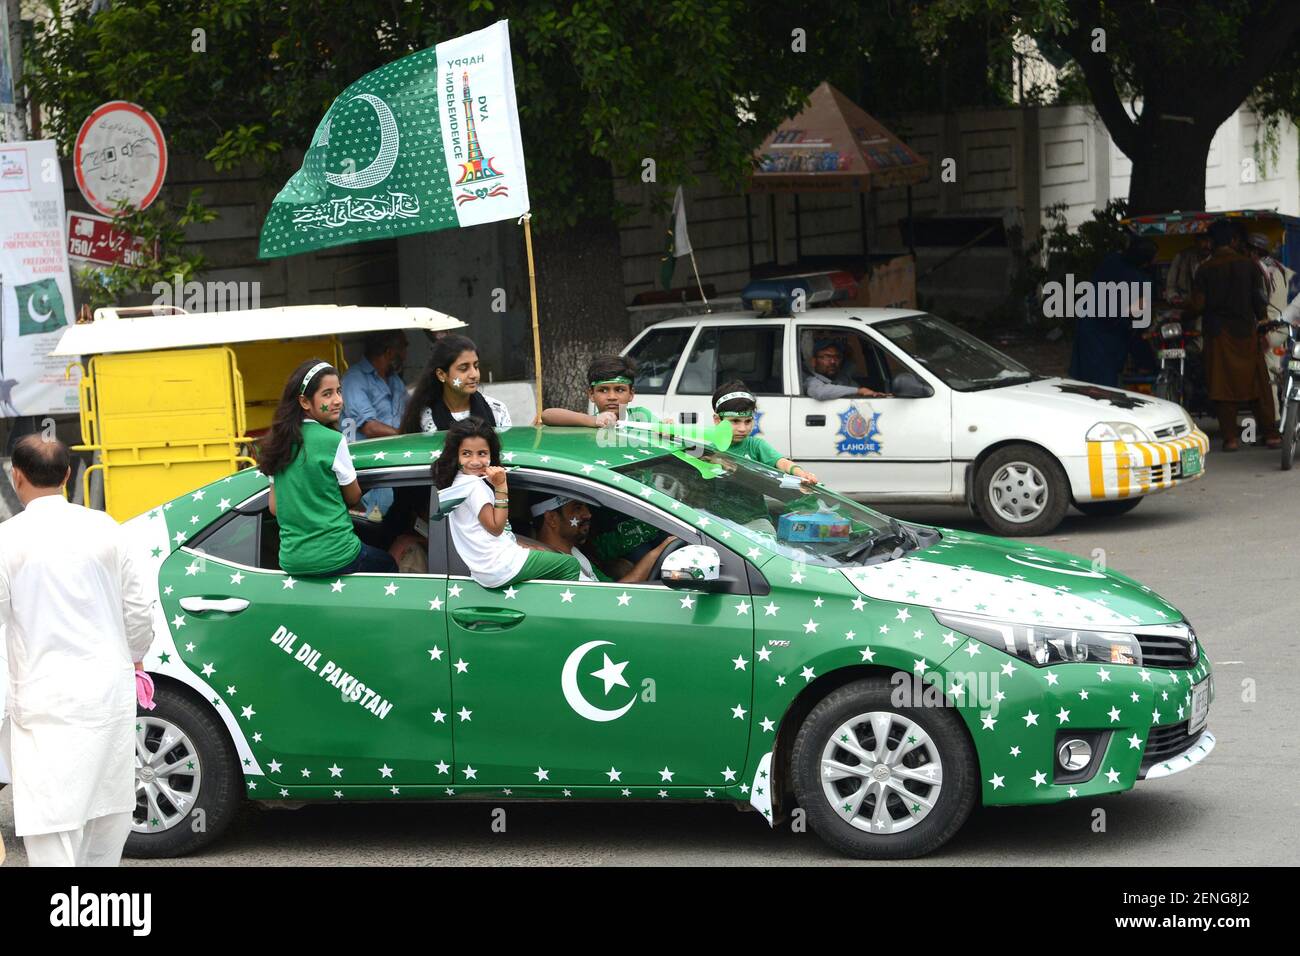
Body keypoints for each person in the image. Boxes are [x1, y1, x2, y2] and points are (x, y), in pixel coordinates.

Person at [0, 436, 152, 866]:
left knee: (51, 822)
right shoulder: (105, 527)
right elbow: (138, 609)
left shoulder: (7, 539)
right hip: (108, 692)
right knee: (107, 815)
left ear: (17, 477)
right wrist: (136, 653)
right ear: (69, 475)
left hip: (44, 700)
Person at [258, 359, 398, 574]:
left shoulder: (277, 443)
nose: (338, 400)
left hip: (292, 561)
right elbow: (353, 497)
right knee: (388, 563)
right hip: (339, 555)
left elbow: (275, 507)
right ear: (305, 402)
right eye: (327, 394)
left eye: (339, 392)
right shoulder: (333, 440)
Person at [434, 418, 582, 587]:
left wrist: (524, 547)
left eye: (482, 453)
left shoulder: (458, 482)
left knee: (543, 552)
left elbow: (490, 534)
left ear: (491, 454)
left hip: (487, 569)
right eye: (466, 453)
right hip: (500, 567)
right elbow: (496, 528)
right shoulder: (475, 487)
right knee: (570, 565)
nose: (475, 461)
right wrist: (501, 486)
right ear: (456, 455)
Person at [1192, 219, 1280, 451]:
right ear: (1234, 241)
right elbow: (1259, 301)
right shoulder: (1249, 266)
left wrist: (1183, 313)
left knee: (1222, 387)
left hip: (1217, 334)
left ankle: (1230, 439)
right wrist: (1263, 322)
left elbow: (1198, 305)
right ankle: (1271, 435)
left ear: (1211, 242)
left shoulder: (1204, 269)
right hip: (1246, 332)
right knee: (1259, 384)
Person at [1068, 236, 1157, 387]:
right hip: (1104, 331)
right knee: (1103, 379)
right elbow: (1137, 310)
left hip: (1090, 322)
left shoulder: (1113, 260)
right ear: (1145, 260)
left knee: (1089, 376)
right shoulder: (1137, 278)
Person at [342, 330, 410, 518]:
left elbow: (410, 413)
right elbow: (370, 427)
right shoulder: (354, 379)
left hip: (399, 467)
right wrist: (406, 437)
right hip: (370, 471)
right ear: (389, 352)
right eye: (404, 347)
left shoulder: (394, 381)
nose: (406, 355)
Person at [530, 495, 676, 583]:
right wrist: (662, 548)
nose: (588, 514)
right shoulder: (552, 565)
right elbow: (616, 596)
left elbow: (610, 586)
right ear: (552, 519)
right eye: (577, 508)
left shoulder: (573, 552)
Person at [401, 334, 511, 434]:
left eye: (476, 366)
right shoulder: (424, 417)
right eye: (463, 368)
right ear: (441, 374)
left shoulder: (497, 410)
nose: (474, 374)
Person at [540, 354, 655, 426]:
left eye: (620, 390)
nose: (612, 397)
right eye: (603, 390)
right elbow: (547, 415)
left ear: (631, 394)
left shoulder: (642, 416)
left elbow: (665, 431)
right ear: (591, 394)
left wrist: (666, 428)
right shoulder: (590, 422)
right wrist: (593, 421)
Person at [803, 339, 887, 400]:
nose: (833, 361)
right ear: (814, 361)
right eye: (827, 357)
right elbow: (819, 392)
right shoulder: (811, 380)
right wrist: (860, 391)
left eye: (837, 357)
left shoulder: (843, 378)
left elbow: (850, 366)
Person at [1165, 233, 1211, 302]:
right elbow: (1170, 285)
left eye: (1210, 241)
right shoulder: (1182, 256)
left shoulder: (1217, 259)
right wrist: (1175, 298)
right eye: (1204, 240)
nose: (1208, 245)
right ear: (1196, 241)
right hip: (1185, 302)